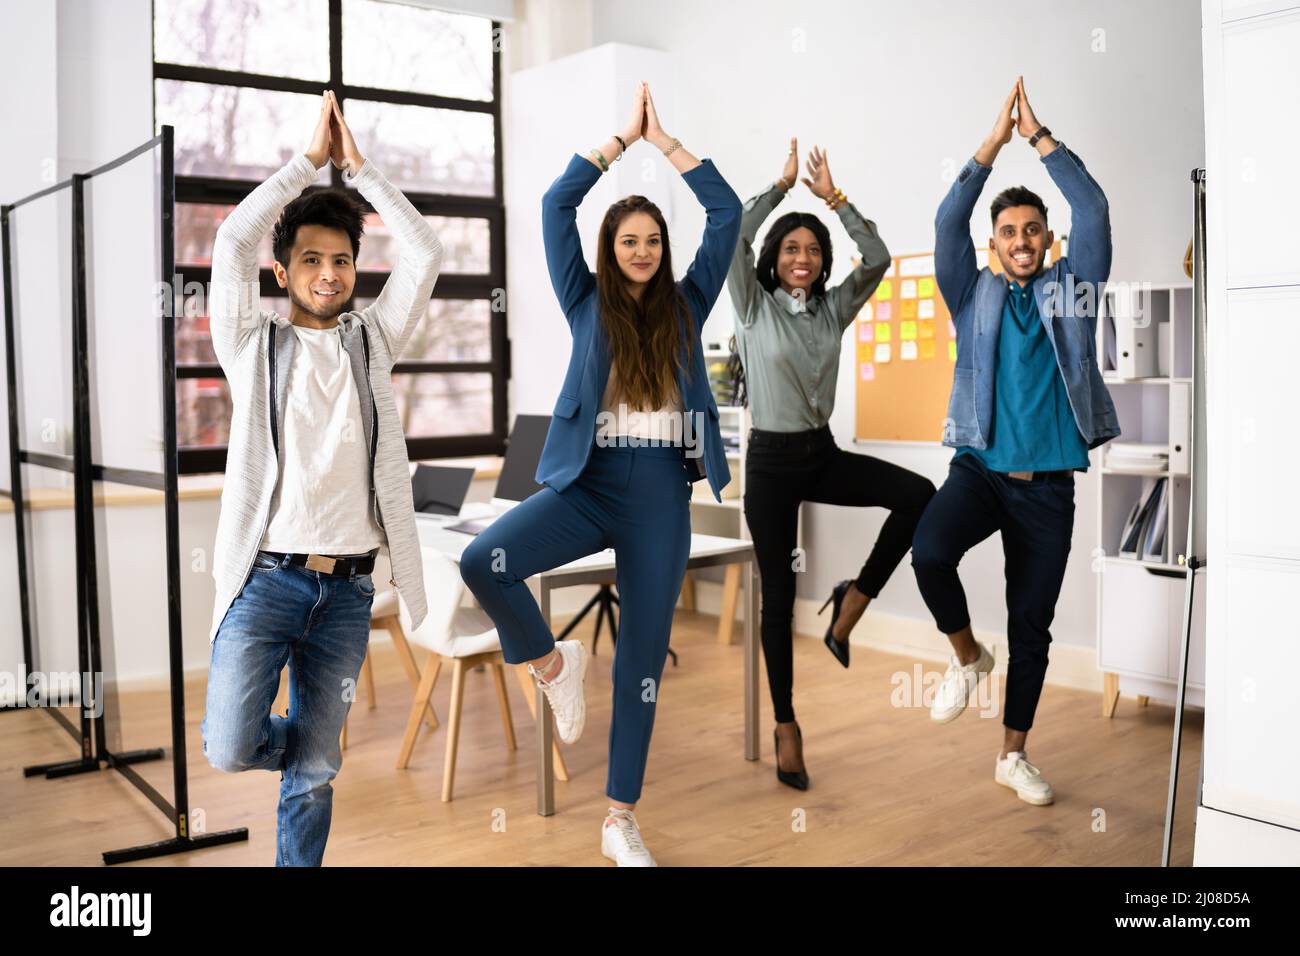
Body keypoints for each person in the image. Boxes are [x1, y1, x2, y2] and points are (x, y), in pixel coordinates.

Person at [459, 82, 741, 866]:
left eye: (653, 239)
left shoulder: (690, 304)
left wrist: (670, 145)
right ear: (610, 249)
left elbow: (728, 214)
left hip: (659, 494)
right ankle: (555, 662)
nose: (643, 250)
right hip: (586, 482)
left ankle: (619, 817)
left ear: (666, 248)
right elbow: (556, 205)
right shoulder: (582, 299)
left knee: (643, 663)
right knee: (484, 561)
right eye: (629, 240)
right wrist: (620, 144)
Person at [201, 90, 444, 864]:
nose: (330, 272)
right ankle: (307, 753)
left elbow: (425, 251)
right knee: (229, 745)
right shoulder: (250, 343)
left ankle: (310, 773)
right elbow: (233, 238)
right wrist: (308, 163)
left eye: (341, 259)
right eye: (311, 258)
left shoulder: (374, 342)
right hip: (266, 583)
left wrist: (363, 171)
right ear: (284, 271)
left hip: (347, 591)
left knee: (314, 777)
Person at [911, 77, 1119, 806]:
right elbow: (945, 224)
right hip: (980, 470)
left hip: (1049, 489)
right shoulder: (970, 294)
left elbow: (1092, 207)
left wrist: (1039, 138)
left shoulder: (1074, 291)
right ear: (992, 244)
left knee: (1032, 627)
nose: (1022, 241)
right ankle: (967, 658)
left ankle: (1013, 755)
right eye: (1009, 232)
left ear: (1048, 240)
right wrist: (991, 148)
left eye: (1033, 230)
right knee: (930, 551)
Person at [727, 137, 935, 790]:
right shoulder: (752, 305)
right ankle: (786, 725)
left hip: (821, 455)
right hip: (768, 466)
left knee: (919, 494)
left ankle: (855, 598)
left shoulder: (832, 309)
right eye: (792, 248)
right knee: (778, 601)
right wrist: (782, 188)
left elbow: (875, 257)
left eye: (813, 251)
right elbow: (732, 234)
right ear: (776, 258)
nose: (803, 258)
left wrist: (833, 200)